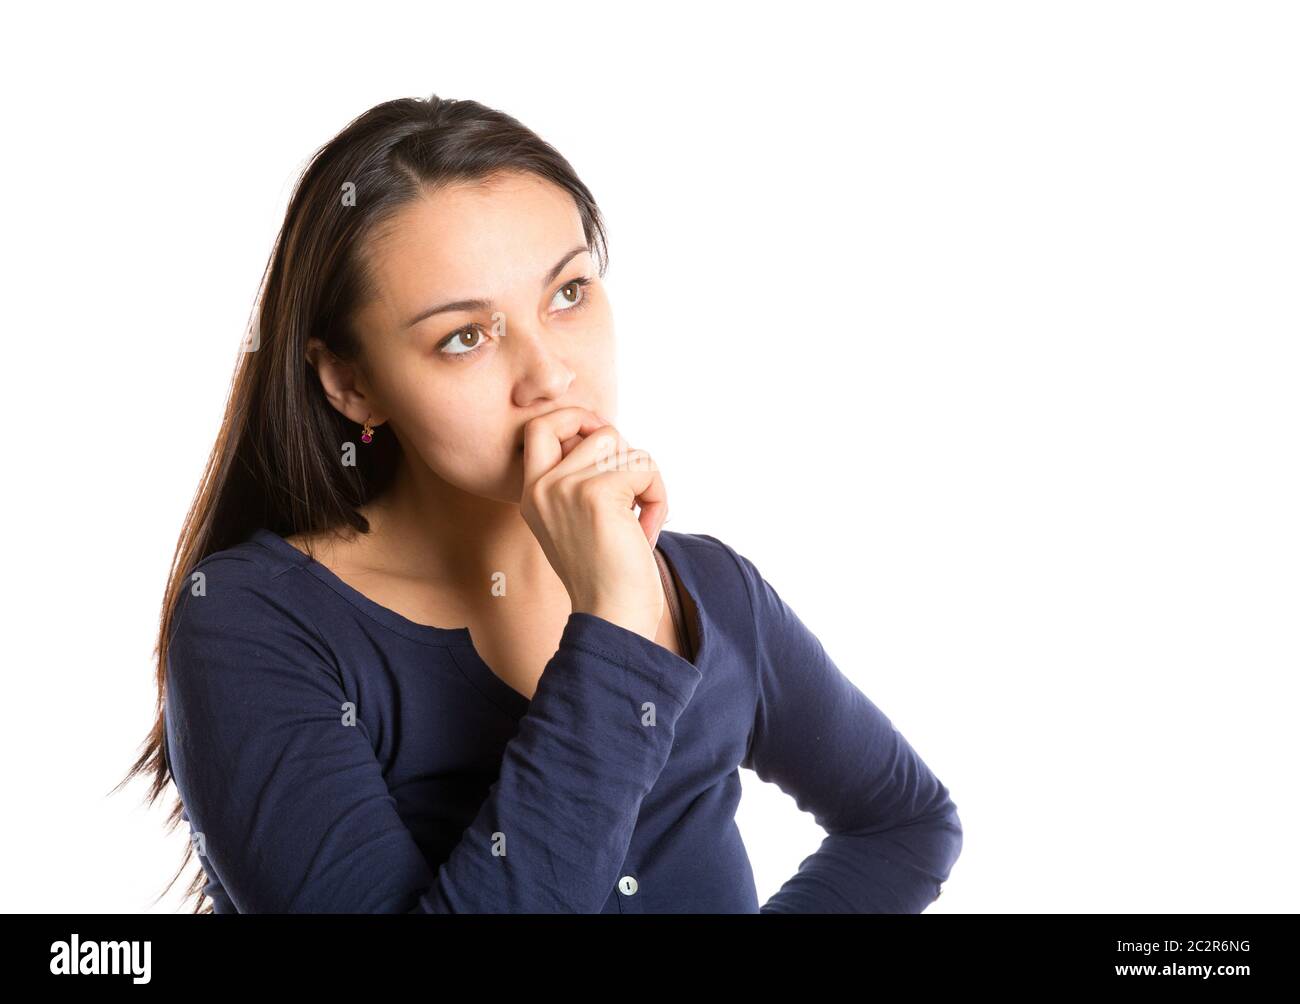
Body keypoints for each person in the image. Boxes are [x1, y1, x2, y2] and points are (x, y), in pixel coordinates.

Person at [119, 93, 963, 913]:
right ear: (351, 383)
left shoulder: (710, 588)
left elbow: (906, 822)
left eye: (568, 294)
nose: (550, 375)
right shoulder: (257, 623)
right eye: (464, 337)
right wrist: (617, 624)